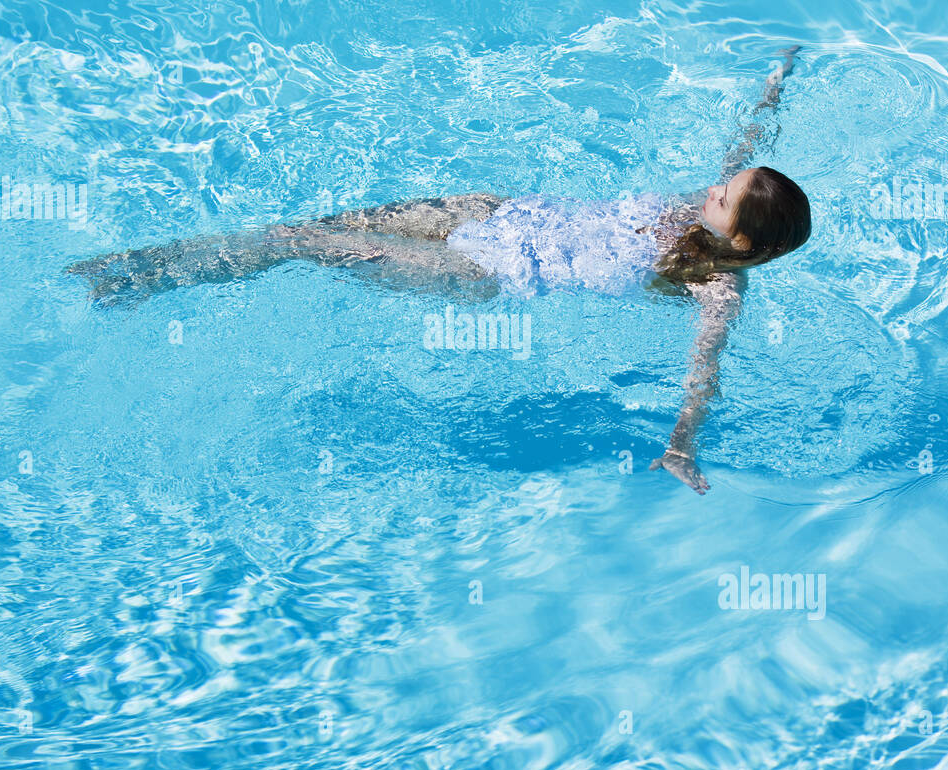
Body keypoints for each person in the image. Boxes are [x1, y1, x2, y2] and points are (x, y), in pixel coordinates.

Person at [67, 48, 811, 493]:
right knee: (324, 227)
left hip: (479, 270)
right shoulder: (704, 207)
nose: (717, 186)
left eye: (727, 196)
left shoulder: (717, 284)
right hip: (500, 211)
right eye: (729, 182)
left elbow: (703, 370)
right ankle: (142, 270)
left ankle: (136, 278)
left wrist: (681, 444)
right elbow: (747, 136)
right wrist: (776, 81)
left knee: (303, 243)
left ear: (743, 241)